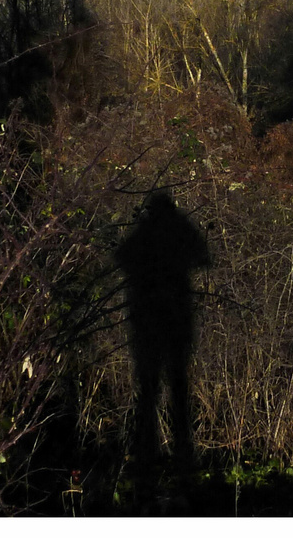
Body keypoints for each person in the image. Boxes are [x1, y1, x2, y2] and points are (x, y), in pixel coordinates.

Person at [114, 189, 210, 474]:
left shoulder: (147, 232)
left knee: (151, 387)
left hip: (149, 319)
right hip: (173, 319)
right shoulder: (178, 230)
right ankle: (179, 454)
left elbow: (121, 257)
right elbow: (203, 256)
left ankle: (150, 453)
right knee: (175, 386)